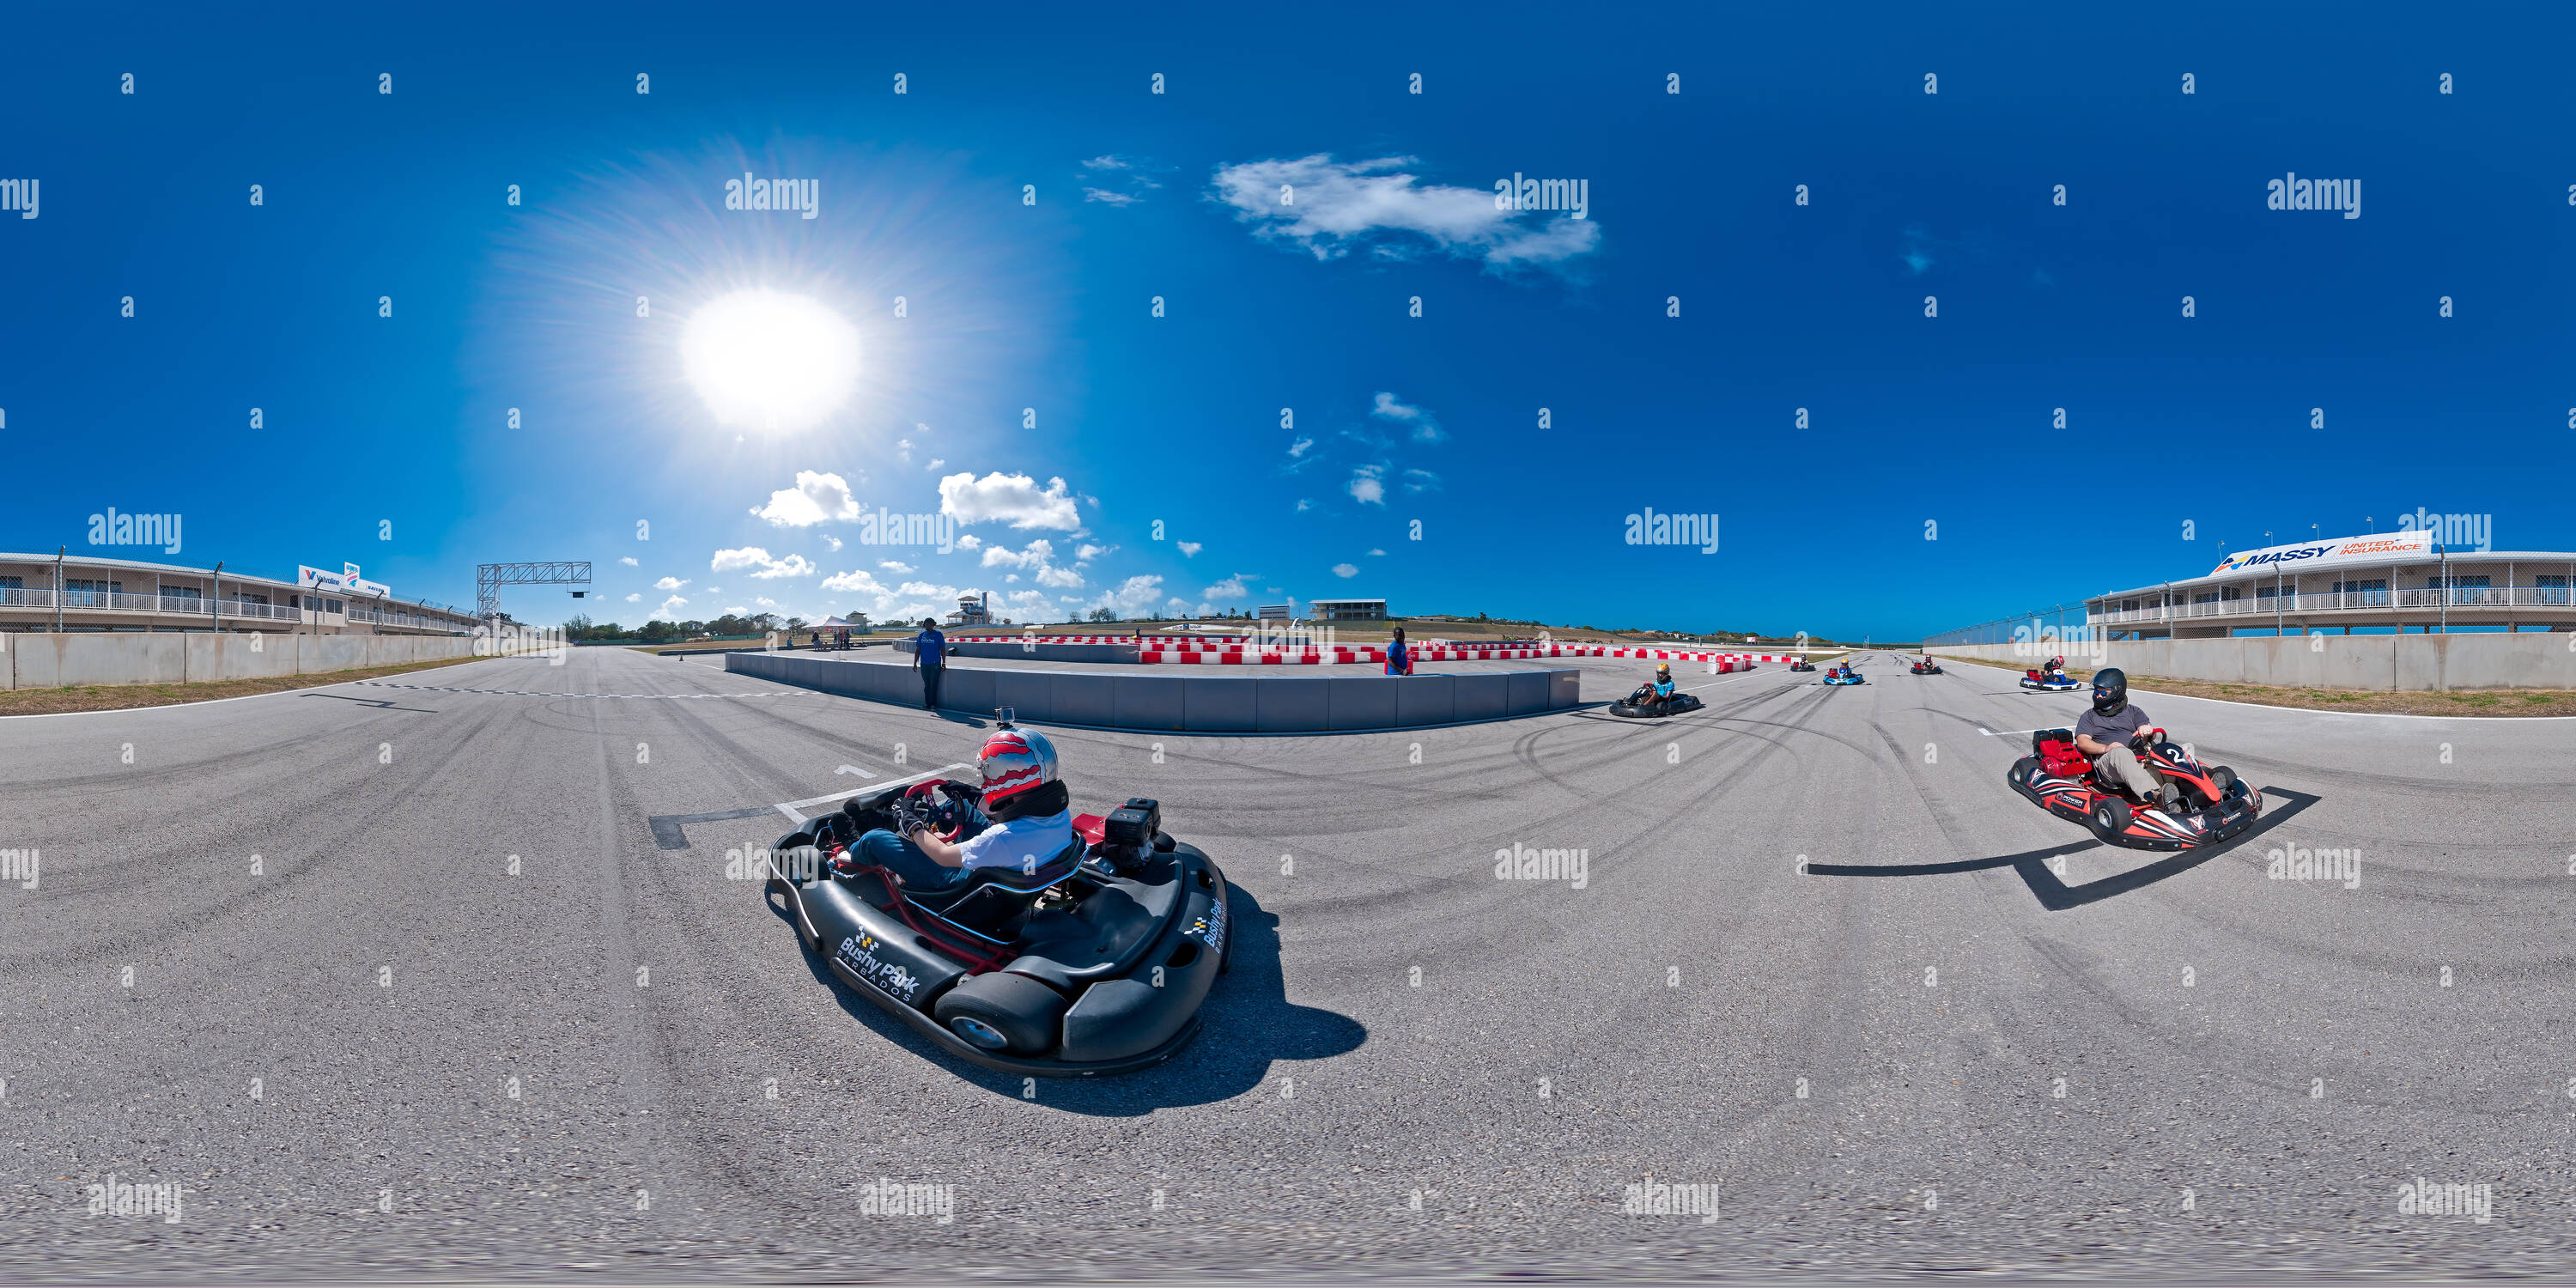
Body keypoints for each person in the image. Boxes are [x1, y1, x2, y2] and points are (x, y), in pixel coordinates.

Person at [846, 727, 1074, 893]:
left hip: (957, 884)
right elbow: (1010, 815)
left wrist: (912, 825)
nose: (986, 781)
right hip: (1011, 870)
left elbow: (943, 857)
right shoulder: (1058, 814)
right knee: (961, 806)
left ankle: (853, 851)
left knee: (874, 839)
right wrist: (970, 794)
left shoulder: (1001, 839)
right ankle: (927, 832)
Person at [2074, 668, 2179, 812]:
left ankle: (2203, 786)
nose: (2098, 695)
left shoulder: (2133, 711)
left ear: (2117, 691)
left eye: (2103, 692)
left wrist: (2147, 730)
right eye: (2096, 691)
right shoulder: (2089, 716)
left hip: (2141, 757)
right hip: (2109, 763)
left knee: (2174, 750)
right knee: (2121, 753)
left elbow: (2149, 731)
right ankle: (2156, 796)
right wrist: (2107, 748)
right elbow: (2083, 742)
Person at [913, 617, 946, 709]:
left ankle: (933, 704)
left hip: (935, 664)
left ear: (933, 625)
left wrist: (944, 663)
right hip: (924, 664)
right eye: (926, 624)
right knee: (927, 685)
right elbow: (918, 650)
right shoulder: (921, 635)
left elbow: (943, 649)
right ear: (924, 625)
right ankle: (927, 704)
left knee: (933, 684)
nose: (928, 625)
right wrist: (915, 663)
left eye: (930, 624)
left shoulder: (938, 634)